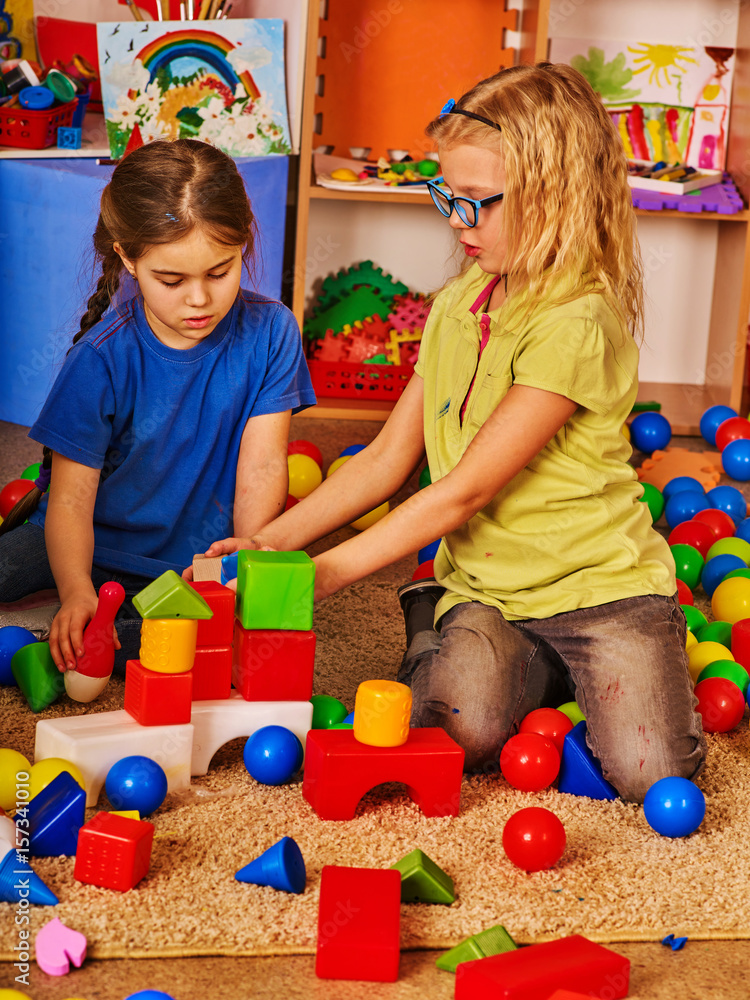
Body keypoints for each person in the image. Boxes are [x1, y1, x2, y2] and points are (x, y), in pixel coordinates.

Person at [207, 63, 705, 803]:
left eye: (478, 202)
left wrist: (325, 578)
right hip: (490, 590)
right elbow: (383, 459)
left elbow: (461, 491)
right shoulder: (456, 307)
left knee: (652, 774)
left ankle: (590, 668)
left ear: (556, 195)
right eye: (449, 197)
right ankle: (439, 618)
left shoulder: (576, 321)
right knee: (458, 736)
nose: (455, 221)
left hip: (602, 590)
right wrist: (273, 543)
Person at [0, 138, 315, 674]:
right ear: (126, 257)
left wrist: (247, 556)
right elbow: (72, 502)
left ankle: (92, 628)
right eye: (171, 280)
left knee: (175, 646)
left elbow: (263, 465)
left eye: (220, 271)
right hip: (89, 546)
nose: (199, 299)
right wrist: (76, 590)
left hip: (190, 567)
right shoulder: (102, 356)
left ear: (244, 243)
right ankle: (74, 612)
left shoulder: (273, 331)